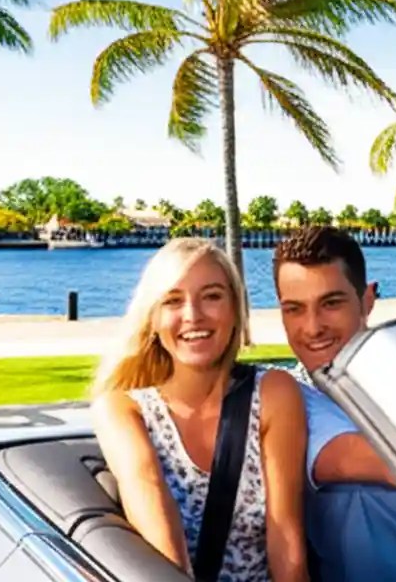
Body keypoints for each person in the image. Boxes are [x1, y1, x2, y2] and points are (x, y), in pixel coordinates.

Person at [93, 238, 309, 582]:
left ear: (235, 308)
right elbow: (162, 544)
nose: (193, 315)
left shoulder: (273, 393)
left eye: (211, 296)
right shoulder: (122, 409)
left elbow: (286, 543)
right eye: (173, 301)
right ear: (153, 318)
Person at [271, 226, 396, 582]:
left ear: (368, 300)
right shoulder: (294, 400)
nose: (312, 327)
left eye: (331, 303)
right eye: (295, 309)